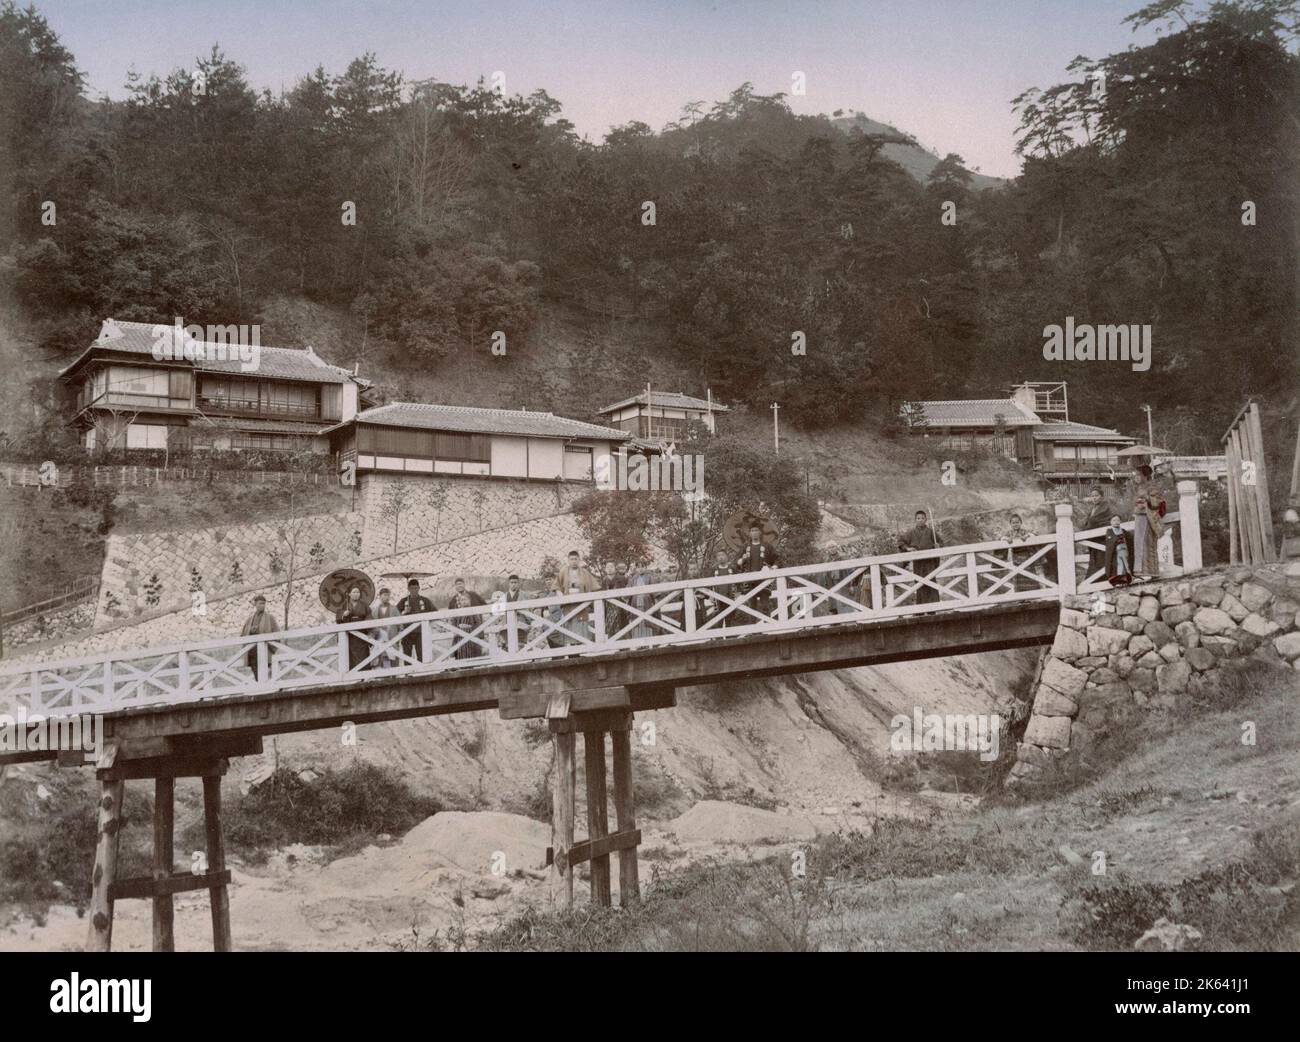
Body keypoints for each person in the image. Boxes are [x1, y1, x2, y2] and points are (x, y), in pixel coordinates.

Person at [552, 550, 600, 645]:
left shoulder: (585, 572)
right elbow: (556, 586)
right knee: (570, 628)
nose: (573, 561)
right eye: (571, 559)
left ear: (579, 560)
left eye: (575, 559)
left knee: (581, 628)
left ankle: (582, 649)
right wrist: (561, 596)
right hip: (569, 605)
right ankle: (573, 653)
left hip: (581, 604)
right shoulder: (563, 572)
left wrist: (588, 597)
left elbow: (595, 586)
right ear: (568, 560)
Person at [735, 523, 779, 619]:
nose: (754, 533)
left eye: (756, 530)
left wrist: (774, 567)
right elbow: (737, 563)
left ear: (760, 533)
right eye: (752, 531)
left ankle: (768, 628)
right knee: (752, 607)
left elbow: (776, 559)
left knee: (765, 606)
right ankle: (754, 632)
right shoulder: (745, 547)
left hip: (764, 580)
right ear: (749, 533)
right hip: (750, 581)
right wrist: (742, 559)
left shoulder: (767, 546)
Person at [899, 510, 941, 605]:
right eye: (918, 518)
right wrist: (908, 548)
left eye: (922, 518)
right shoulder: (911, 533)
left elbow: (940, 542)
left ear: (926, 519)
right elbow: (901, 542)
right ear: (915, 520)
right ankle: (920, 609)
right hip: (918, 563)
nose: (920, 520)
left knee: (931, 582)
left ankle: (933, 609)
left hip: (930, 562)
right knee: (919, 583)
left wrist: (938, 546)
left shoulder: (931, 532)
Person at [396, 579, 435, 664]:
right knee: (407, 655)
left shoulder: (425, 600)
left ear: (419, 588)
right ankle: (408, 674)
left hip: (420, 632)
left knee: (421, 654)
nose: (414, 590)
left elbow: (435, 612)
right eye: (412, 588)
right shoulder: (403, 601)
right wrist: (404, 612)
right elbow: (394, 615)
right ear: (408, 589)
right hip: (407, 632)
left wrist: (428, 622)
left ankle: (421, 673)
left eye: (416, 588)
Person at [447, 578, 487, 659]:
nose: (459, 586)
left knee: (476, 652)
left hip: (474, 629)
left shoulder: (473, 595)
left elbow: (485, 605)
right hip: (460, 632)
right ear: (455, 586)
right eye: (457, 584)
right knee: (462, 652)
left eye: (461, 583)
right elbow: (450, 617)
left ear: (464, 584)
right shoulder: (453, 601)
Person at [240, 594, 277, 680]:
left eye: (264, 604)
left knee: (267, 673)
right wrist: (250, 631)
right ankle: (259, 687)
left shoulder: (270, 618)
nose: (262, 606)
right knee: (256, 674)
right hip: (253, 651)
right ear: (255, 604)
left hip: (266, 650)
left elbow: (277, 633)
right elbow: (242, 635)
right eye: (260, 603)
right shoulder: (250, 619)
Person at [1080, 486, 1113, 582]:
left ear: (1102, 497)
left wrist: (1087, 528)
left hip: (1102, 538)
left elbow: (1101, 521)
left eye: (1096, 495)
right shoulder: (1093, 508)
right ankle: (1096, 580)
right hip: (1094, 538)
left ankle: (1104, 579)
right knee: (1095, 559)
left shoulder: (1105, 507)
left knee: (1101, 559)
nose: (1094, 498)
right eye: (1092, 496)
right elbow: (1089, 521)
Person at [336, 585, 371, 671]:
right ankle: (354, 675)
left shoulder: (364, 605)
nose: (356, 594)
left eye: (358, 592)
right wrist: (344, 614)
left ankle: (364, 676)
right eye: (354, 592)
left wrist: (367, 628)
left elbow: (369, 617)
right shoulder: (345, 605)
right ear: (349, 594)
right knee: (350, 655)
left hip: (361, 634)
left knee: (363, 655)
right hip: (350, 636)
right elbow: (338, 619)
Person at [703, 547, 738, 628]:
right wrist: (710, 595)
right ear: (716, 558)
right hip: (718, 598)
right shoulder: (714, 570)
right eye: (718, 556)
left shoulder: (732, 569)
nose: (721, 557)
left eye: (722, 555)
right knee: (719, 618)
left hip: (730, 597)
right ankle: (719, 638)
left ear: (726, 556)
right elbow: (708, 584)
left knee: (730, 618)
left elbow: (738, 583)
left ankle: (730, 638)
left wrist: (738, 594)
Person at [1133, 492, 1164, 580]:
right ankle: (1141, 572)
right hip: (1140, 523)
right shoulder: (1139, 507)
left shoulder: (1152, 498)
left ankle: (1152, 572)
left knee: (1149, 548)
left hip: (1148, 524)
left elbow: (1157, 504)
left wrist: (1147, 504)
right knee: (1140, 549)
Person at [499, 574, 531, 651]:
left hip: (520, 621)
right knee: (508, 643)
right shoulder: (504, 596)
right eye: (512, 582)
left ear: (518, 583)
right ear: (508, 584)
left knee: (521, 644)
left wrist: (529, 621)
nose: (513, 584)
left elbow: (529, 609)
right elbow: (499, 612)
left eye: (515, 582)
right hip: (507, 622)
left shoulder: (524, 595)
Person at [372, 586, 400, 669]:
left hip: (392, 636)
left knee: (393, 655)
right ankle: (385, 675)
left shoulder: (394, 609)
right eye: (384, 595)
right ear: (380, 596)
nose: (386, 597)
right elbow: (372, 624)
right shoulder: (375, 610)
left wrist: (400, 631)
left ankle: (395, 675)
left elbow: (400, 622)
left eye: (388, 595)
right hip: (380, 636)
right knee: (382, 655)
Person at [1103, 515, 1133, 586]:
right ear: (1110, 522)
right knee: (1118, 567)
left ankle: (1126, 581)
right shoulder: (1109, 532)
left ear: (1120, 521)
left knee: (1126, 566)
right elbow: (1109, 543)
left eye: (1118, 520)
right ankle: (1118, 582)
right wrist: (1115, 541)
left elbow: (1130, 540)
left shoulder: (1123, 531)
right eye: (1114, 520)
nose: (1116, 522)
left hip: (1125, 552)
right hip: (1116, 553)